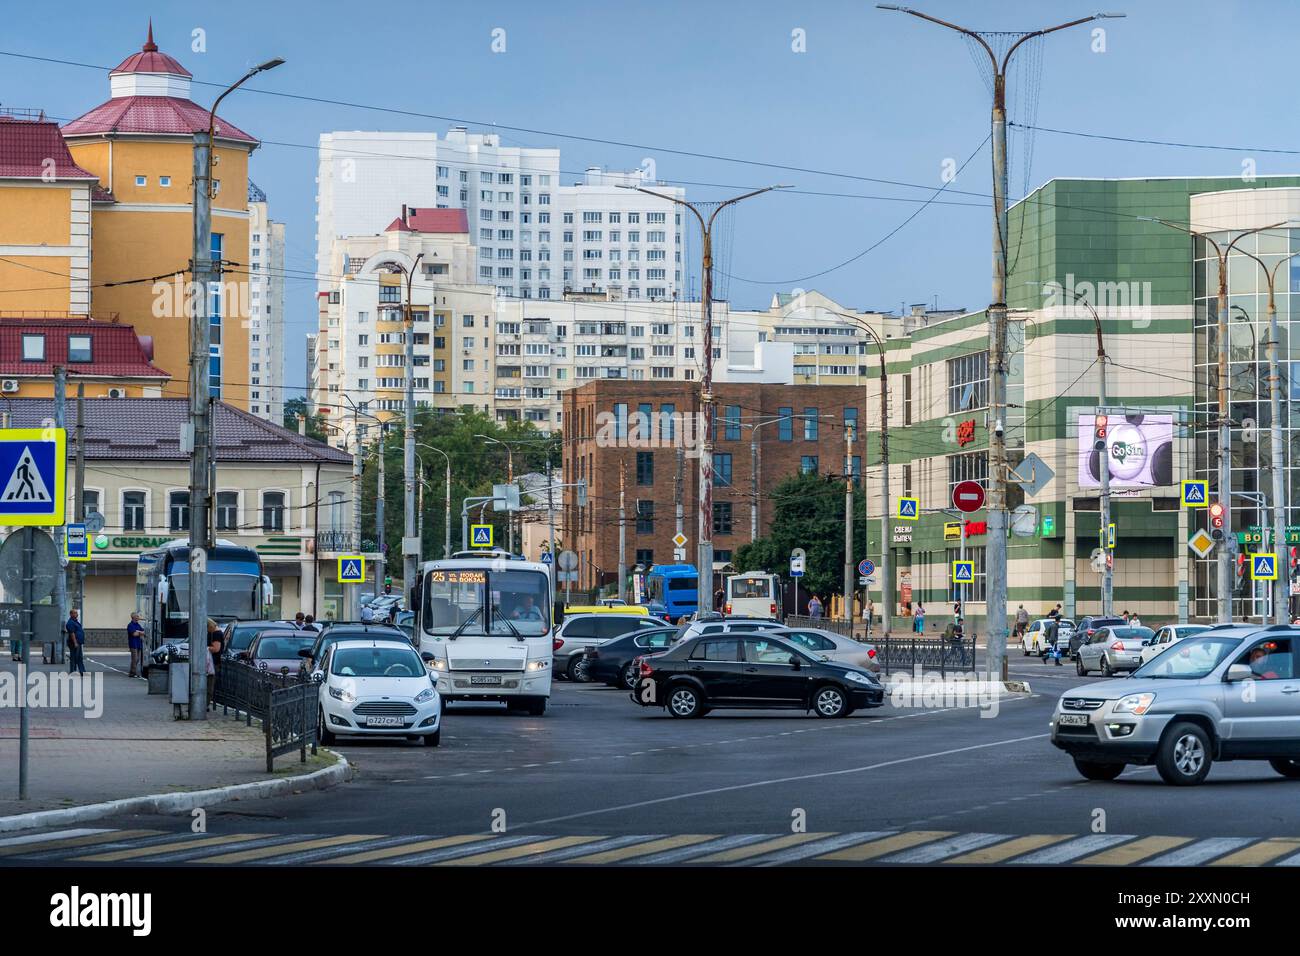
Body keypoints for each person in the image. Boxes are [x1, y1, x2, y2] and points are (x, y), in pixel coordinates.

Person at [206, 618, 224, 707]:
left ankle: (205, 704)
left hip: (213, 663)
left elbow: (216, 649)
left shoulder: (216, 634)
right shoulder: (212, 632)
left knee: (210, 685)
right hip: (210, 662)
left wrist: (206, 648)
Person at [65, 608, 86, 675]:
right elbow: (72, 633)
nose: (76, 614)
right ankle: (73, 671)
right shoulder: (70, 623)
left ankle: (82, 672)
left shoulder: (75, 621)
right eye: (74, 613)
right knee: (74, 658)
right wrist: (75, 642)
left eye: (76, 613)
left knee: (79, 658)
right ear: (71, 614)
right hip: (74, 643)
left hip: (78, 642)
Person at [127, 612, 145, 678]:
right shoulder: (130, 625)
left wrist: (138, 632)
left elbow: (143, 632)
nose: (138, 617)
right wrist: (139, 632)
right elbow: (134, 634)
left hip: (138, 644)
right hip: (133, 644)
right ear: (133, 617)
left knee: (137, 659)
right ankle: (132, 673)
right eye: (137, 616)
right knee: (135, 659)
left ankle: (132, 672)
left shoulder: (138, 625)